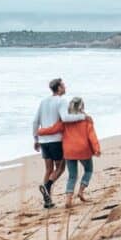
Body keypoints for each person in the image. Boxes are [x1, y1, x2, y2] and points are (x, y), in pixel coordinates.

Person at [35, 97, 100, 206]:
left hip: (69, 151)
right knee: (88, 170)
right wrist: (97, 149)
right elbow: (92, 136)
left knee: (72, 176)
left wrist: (40, 131)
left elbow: (53, 129)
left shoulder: (65, 122)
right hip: (83, 150)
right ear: (82, 107)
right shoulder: (87, 120)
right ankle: (80, 192)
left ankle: (68, 200)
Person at [31, 78, 83, 208]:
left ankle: (47, 201)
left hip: (43, 140)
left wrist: (36, 139)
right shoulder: (61, 101)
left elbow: (35, 122)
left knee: (49, 169)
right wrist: (82, 117)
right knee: (60, 168)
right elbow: (65, 118)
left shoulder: (43, 102)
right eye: (63, 85)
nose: (65, 87)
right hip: (56, 140)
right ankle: (47, 186)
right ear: (59, 88)